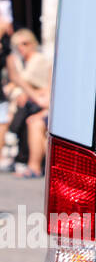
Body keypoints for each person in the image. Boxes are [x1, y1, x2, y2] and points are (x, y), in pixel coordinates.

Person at [4, 28, 50, 178]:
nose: (21, 48)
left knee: (32, 121)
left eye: (25, 43)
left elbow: (22, 80)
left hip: (40, 104)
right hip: (33, 103)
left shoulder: (38, 60)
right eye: (18, 45)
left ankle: (32, 165)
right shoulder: (23, 61)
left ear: (33, 43)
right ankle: (23, 159)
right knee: (24, 117)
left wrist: (17, 83)